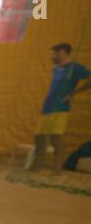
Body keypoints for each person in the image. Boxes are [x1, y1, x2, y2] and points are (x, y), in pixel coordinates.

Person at [31, 42, 91, 172]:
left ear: (62, 52)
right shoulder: (56, 68)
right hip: (47, 107)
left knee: (55, 139)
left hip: (60, 109)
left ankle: (57, 169)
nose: (51, 57)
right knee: (39, 138)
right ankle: (36, 167)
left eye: (53, 54)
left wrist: (73, 93)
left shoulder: (75, 68)